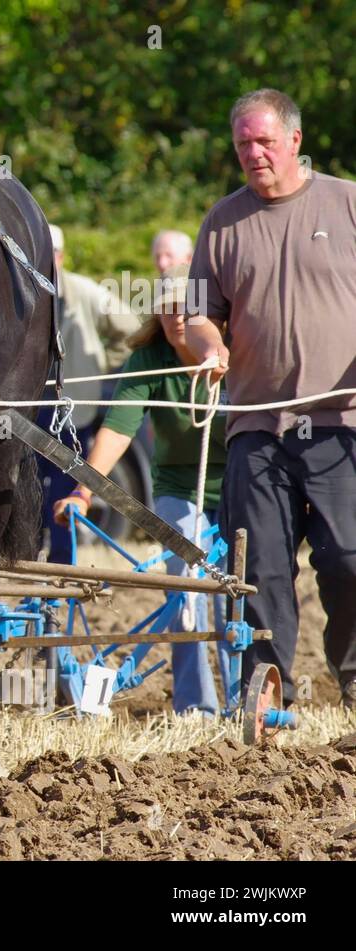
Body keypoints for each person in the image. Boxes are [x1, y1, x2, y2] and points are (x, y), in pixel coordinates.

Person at [183, 88, 356, 710]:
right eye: (242, 144)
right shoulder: (222, 221)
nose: (253, 154)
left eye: (264, 141)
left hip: (342, 422)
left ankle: (353, 678)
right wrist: (209, 347)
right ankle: (265, 694)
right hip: (257, 425)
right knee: (261, 573)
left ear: (295, 141)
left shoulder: (348, 202)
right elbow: (201, 316)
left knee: (350, 564)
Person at [53, 266, 231, 715]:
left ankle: (242, 698)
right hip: (177, 488)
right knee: (186, 590)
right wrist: (83, 491)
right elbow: (118, 429)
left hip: (240, 488)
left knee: (235, 598)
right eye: (167, 308)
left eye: (187, 309)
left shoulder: (239, 354)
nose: (175, 318)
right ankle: (197, 709)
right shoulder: (150, 358)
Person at [39, 225, 138, 563]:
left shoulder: (85, 292)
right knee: (27, 487)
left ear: (62, 255)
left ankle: (64, 566)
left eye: (53, 252)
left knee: (69, 488)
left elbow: (131, 329)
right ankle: (27, 562)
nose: (47, 258)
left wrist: (99, 365)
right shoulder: (22, 289)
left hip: (71, 411)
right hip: (27, 408)